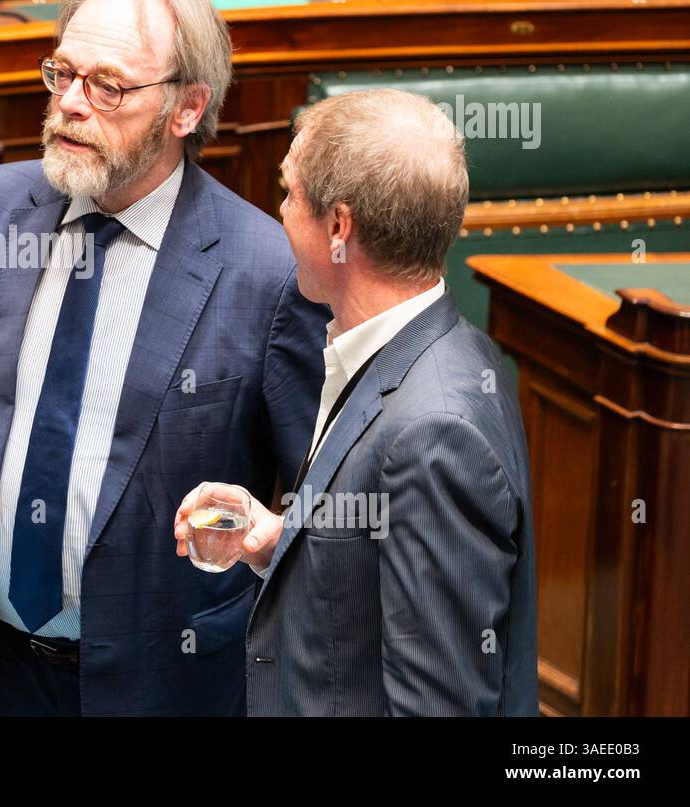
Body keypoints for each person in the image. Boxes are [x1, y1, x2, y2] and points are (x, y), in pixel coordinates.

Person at [0, 0, 329, 716]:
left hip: (160, 684)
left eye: (108, 87)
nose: (70, 104)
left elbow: (312, 510)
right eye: (62, 73)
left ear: (187, 107)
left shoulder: (266, 273)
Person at [175, 87, 537, 715]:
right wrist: (282, 540)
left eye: (289, 194)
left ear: (339, 228)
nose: (279, 211)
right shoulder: (418, 346)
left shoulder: (434, 433)